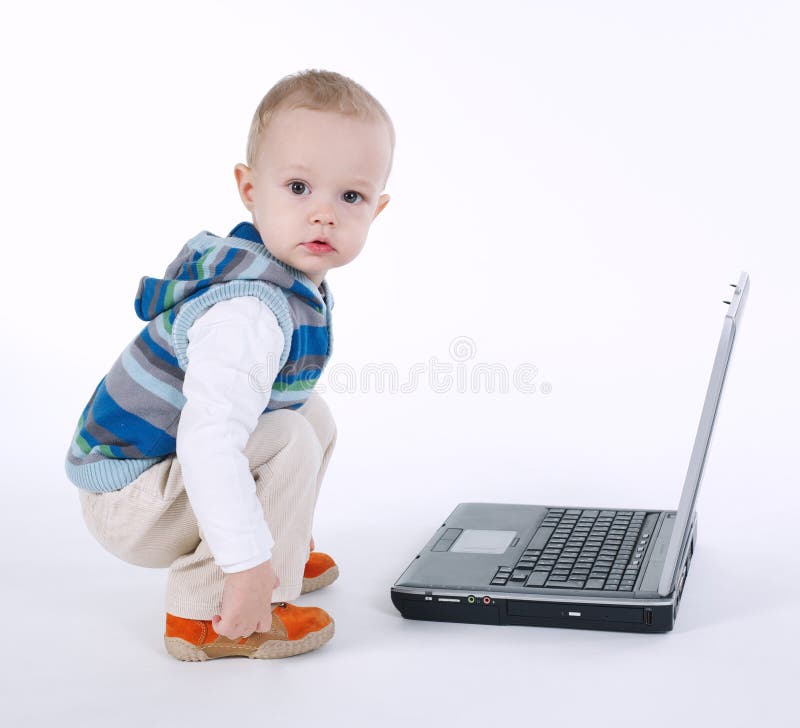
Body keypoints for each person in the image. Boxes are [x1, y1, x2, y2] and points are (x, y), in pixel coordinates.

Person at [64, 68, 394, 661]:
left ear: (379, 207)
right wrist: (244, 569)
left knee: (309, 414)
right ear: (249, 188)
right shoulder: (249, 311)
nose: (324, 214)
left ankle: (279, 555)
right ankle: (210, 611)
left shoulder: (288, 280)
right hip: (132, 499)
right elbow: (208, 444)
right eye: (298, 187)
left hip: (162, 475)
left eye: (350, 196)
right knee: (289, 434)